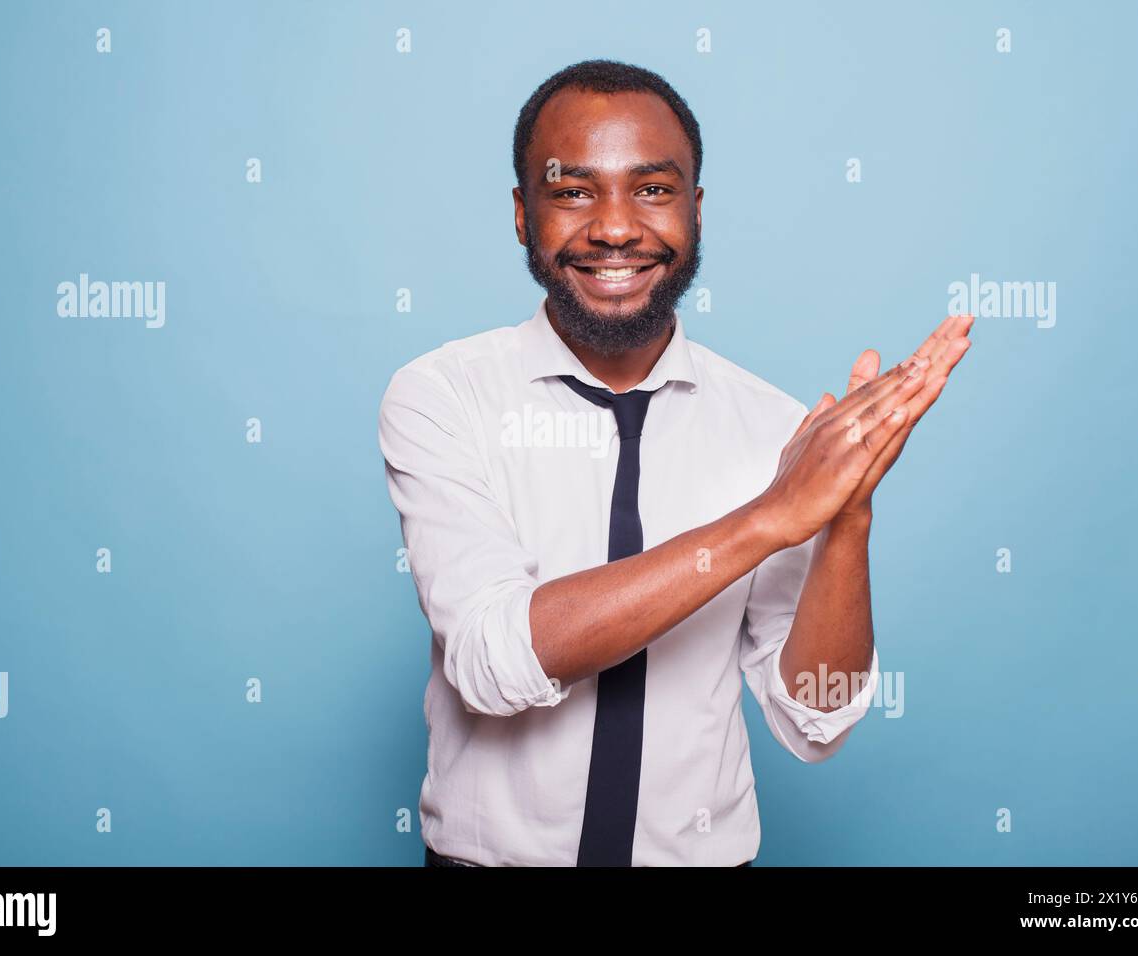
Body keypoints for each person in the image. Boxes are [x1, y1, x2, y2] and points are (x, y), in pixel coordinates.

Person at [377, 59, 972, 867]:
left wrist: (845, 517)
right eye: (573, 191)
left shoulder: (775, 432)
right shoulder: (442, 397)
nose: (616, 228)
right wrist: (765, 518)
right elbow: (492, 661)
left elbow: (816, 720)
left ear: (696, 211)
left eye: (653, 190)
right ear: (523, 214)